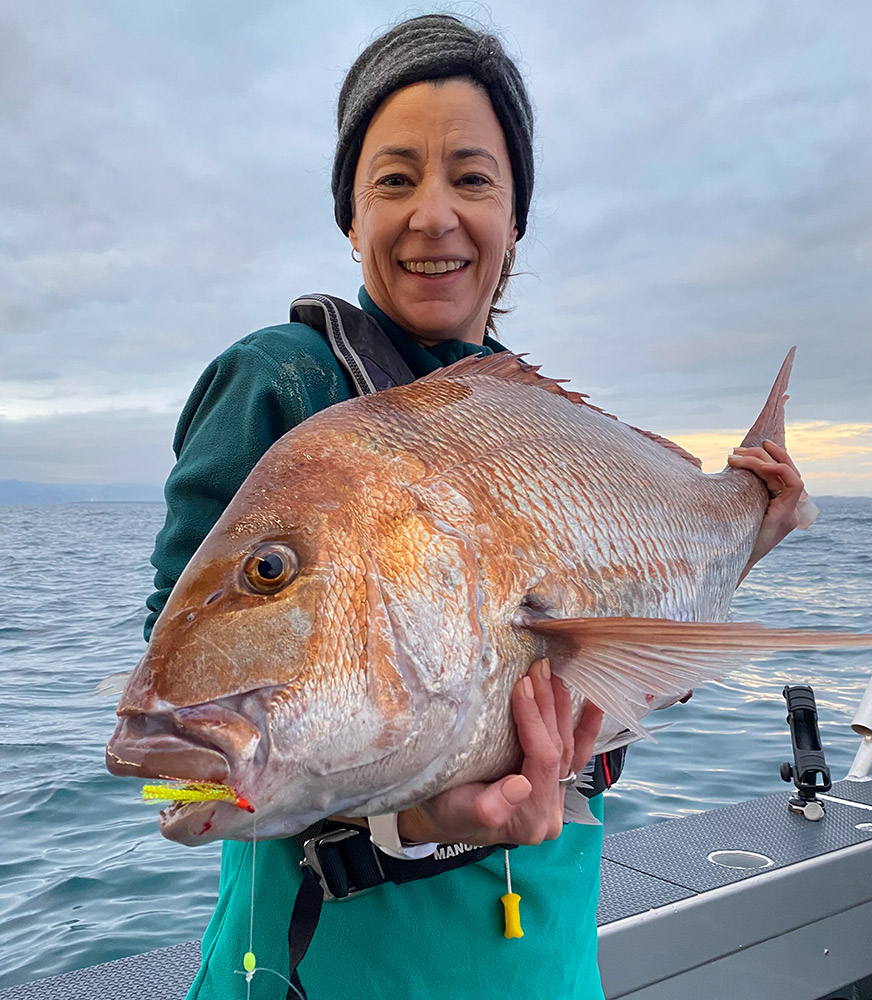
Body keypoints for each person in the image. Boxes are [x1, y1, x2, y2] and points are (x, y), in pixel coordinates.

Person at [144, 14, 809, 1000]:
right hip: (319, 962)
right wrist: (407, 818)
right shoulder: (281, 386)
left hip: (543, 948)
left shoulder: (550, 431)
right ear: (349, 210)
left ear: (516, 212)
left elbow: (638, 660)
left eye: (473, 176)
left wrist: (753, 527)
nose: (434, 213)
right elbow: (176, 751)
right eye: (395, 177)